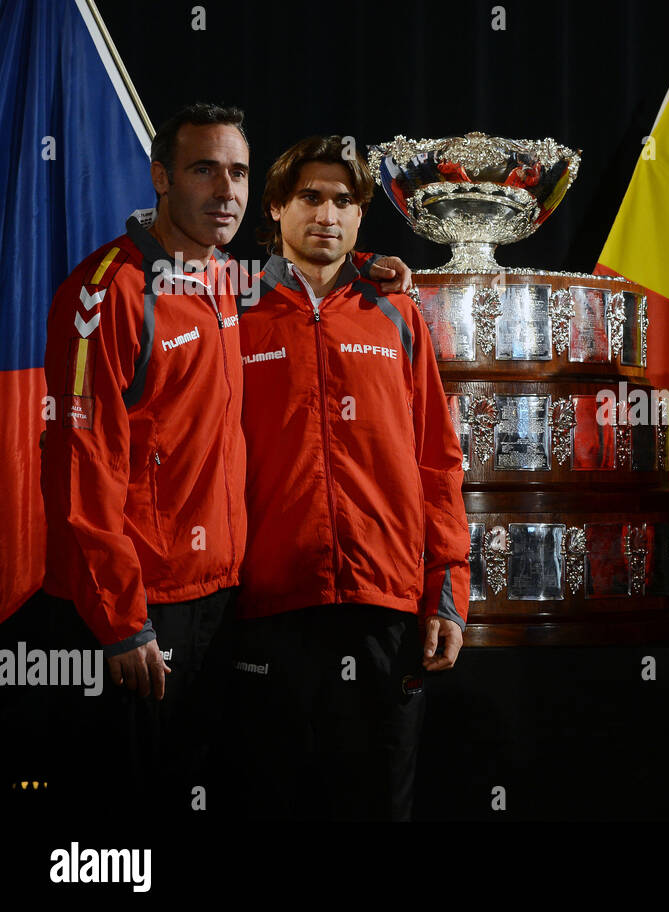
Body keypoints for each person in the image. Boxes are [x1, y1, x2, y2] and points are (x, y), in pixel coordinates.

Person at [37, 102, 412, 817]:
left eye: (238, 171)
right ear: (160, 177)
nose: (226, 190)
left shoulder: (228, 282)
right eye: (203, 169)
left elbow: (307, 278)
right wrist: (121, 621)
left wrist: (363, 268)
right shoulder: (105, 293)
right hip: (134, 610)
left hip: (221, 604)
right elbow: (79, 469)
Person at [231, 135, 471, 820]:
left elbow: (437, 459)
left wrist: (448, 586)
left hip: (385, 605)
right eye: (310, 196)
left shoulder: (397, 312)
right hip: (270, 607)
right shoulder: (233, 313)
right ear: (275, 207)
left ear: (362, 216)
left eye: (345, 200)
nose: (327, 214)